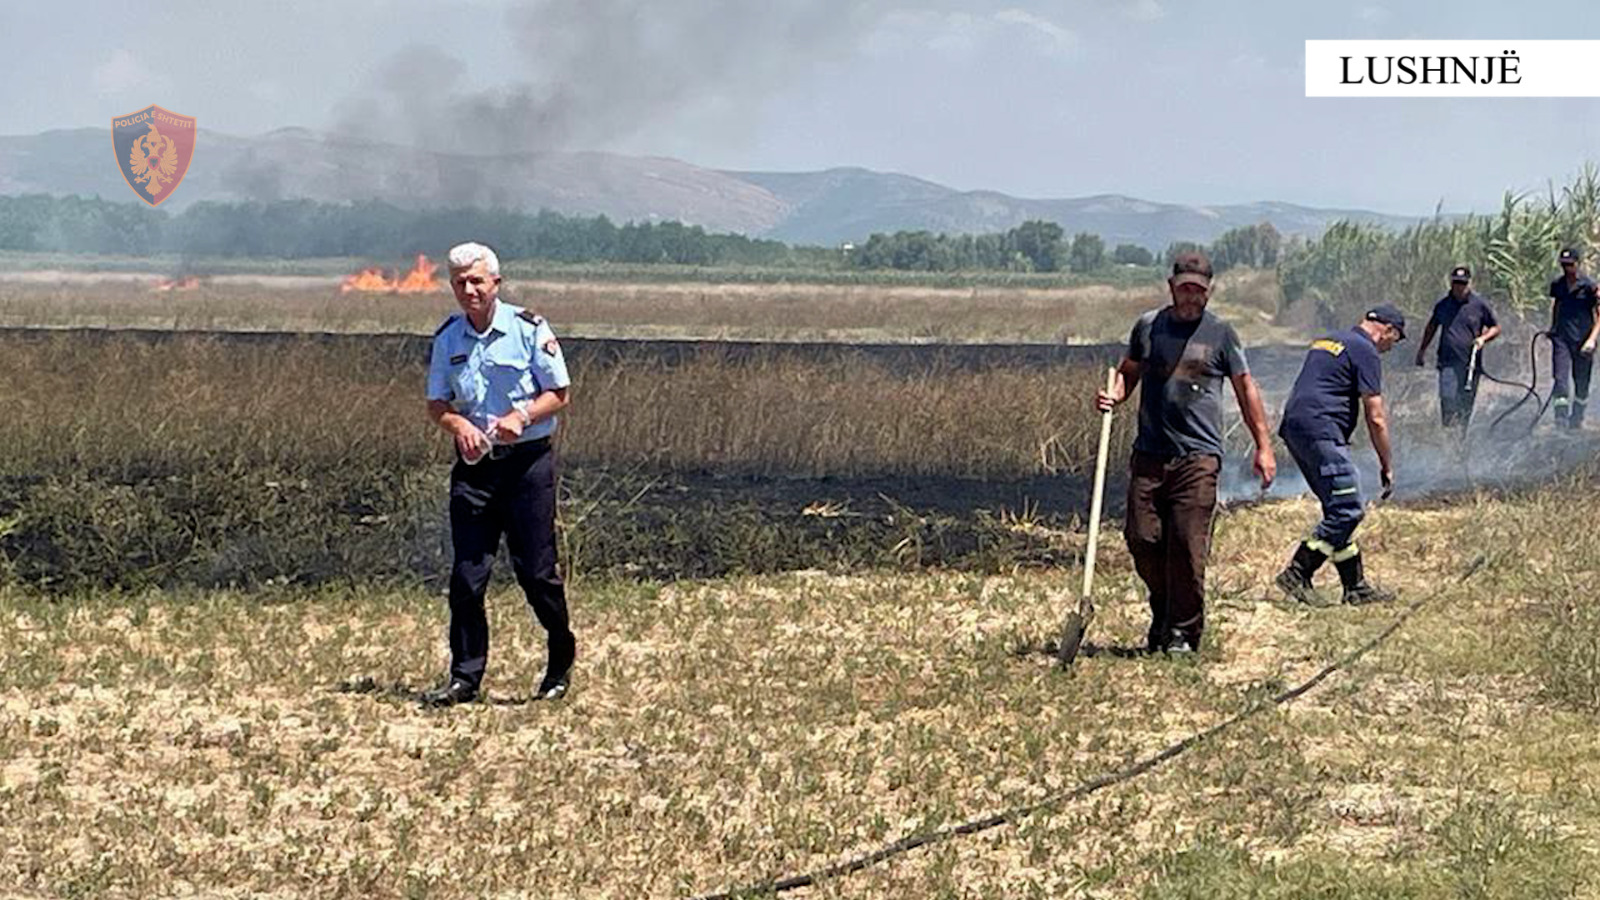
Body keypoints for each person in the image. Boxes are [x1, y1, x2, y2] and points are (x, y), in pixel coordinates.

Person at [1095, 251, 1276, 655]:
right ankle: (1164, 609)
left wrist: (1264, 447)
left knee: (1187, 546)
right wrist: (1115, 395)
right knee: (1141, 538)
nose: (1191, 296)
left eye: (1199, 290)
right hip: (1150, 454)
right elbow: (1129, 372)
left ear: (1209, 292)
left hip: (1198, 458)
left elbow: (1246, 389)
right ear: (1171, 287)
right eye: (1184, 289)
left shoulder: (1221, 334)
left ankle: (1183, 632)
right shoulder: (1148, 327)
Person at [421, 241, 575, 707]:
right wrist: (459, 424)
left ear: (495, 284)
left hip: (527, 465)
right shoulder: (448, 337)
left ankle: (559, 661)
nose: (469, 291)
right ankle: (464, 678)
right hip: (475, 471)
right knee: (468, 577)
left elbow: (559, 393)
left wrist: (522, 417)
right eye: (459, 283)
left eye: (476, 282)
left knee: (536, 573)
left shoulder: (528, 328)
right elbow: (437, 404)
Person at [1274, 306, 1404, 607]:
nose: (1389, 349)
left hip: (1297, 428)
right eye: (1394, 341)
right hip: (1322, 431)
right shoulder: (1365, 350)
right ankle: (1298, 571)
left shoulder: (1330, 340)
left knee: (1337, 508)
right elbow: (1376, 416)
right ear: (1388, 330)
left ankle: (1355, 587)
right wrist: (1386, 464)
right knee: (1348, 509)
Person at [1413, 265, 1500, 428]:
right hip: (1448, 362)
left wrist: (1483, 339)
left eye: (1463, 284)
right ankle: (1448, 435)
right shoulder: (1443, 305)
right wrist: (1422, 351)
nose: (1459, 287)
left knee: (1465, 406)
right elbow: (1431, 327)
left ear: (1469, 284)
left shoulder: (1479, 305)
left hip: (1471, 365)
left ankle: (1460, 443)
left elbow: (1495, 327)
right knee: (1448, 399)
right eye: (1456, 283)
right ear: (1451, 283)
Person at [1548, 248, 1600, 430]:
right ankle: (1560, 422)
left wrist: (1592, 339)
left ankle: (1576, 419)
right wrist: (1553, 328)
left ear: (1577, 264)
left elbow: (1599, 316)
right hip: (1562, 339)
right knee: (1560, 380)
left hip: (1583, 340)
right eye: (1564, 265)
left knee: (1581, 383)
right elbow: (1556, 305)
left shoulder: (1589, 286)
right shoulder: (1558, 285)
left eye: (1570, 264)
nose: (1567, 268)